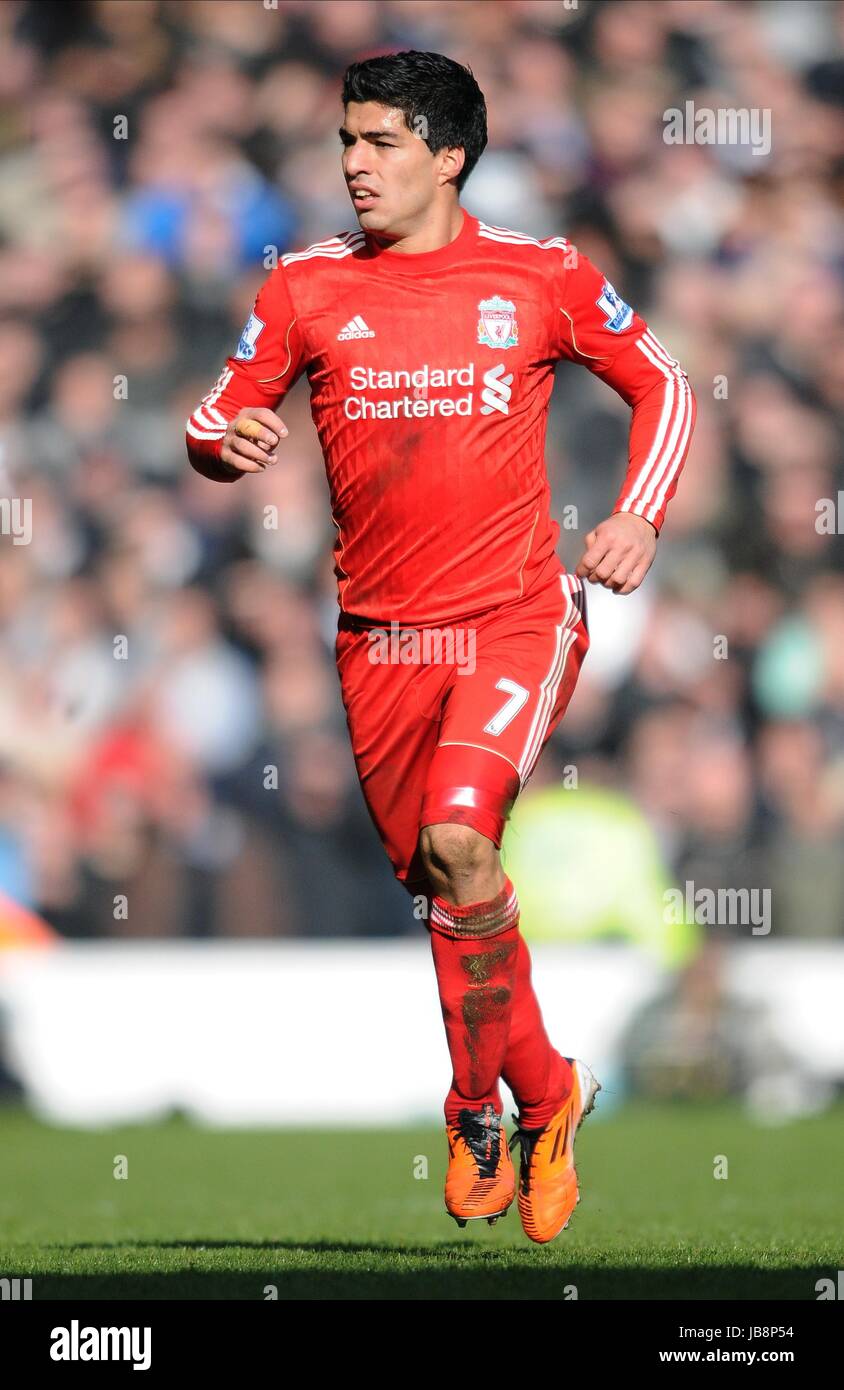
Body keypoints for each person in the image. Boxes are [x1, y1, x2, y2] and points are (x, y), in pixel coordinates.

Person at [185, 50, 696, 1244]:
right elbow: (216, 414)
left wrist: (634, 515)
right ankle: (550, 1091)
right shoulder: (305, 288)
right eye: (347, 142)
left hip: (518, 615)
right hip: (376, 638)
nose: (354, 164)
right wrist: (225, 442)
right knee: (447, 887)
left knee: (462, 837)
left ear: (448, 153)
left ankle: (475, 1104)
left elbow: (664, 383)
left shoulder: (541, 274)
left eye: (379, 143)